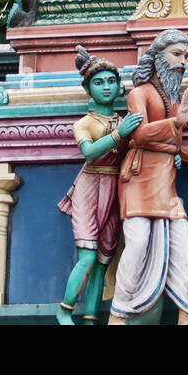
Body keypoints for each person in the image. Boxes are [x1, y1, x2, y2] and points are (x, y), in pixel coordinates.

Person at [109, 29, 188, 324]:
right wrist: (174, 122)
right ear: (157, 57)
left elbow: (172, 147)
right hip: (138, 178)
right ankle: (117, 316)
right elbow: (139, 133)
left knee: (186, 248)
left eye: (185, 56)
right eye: (176, 55)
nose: (183, 62)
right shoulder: (139, 94)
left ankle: (185, 318)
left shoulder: (175, 99)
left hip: (166, 184)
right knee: (136, 245)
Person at [55, 52, 141, 325]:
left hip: (116, 188)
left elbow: (139, 148)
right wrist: (119, 134)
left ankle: (91, 318)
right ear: (87, 89)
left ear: (119, 86)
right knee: (88, 256)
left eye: (111, 81)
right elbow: (90, 152)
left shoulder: (125, 120)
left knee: (104, 259)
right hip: (90, 186)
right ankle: (65, 310)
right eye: (99, 82)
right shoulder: (85, 123)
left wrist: (169, 153)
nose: (106, 86)